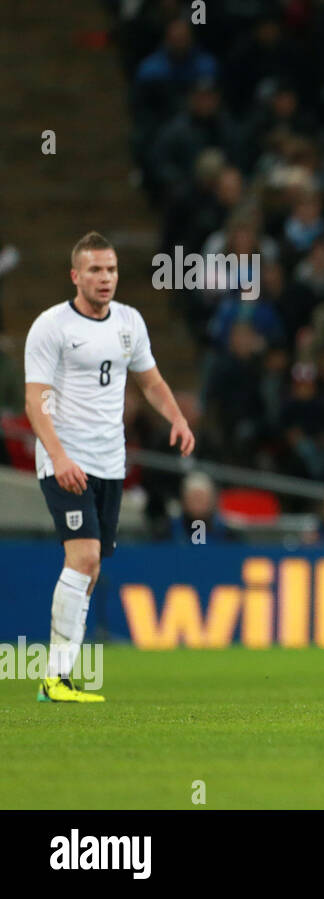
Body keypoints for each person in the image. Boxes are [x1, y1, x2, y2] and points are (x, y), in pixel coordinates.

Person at [24, 232, 195, 701]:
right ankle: (54, 679)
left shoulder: (129, 322)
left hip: (110, 462)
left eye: (112, 269)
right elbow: (36, 401)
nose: (106, 278)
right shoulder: (52, 327)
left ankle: (60, 676)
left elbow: (150, 381)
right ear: (75, 276)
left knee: (91, 567)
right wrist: (58, 456)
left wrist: (177, 418)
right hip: (65, 458)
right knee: (82, 557)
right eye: (95, 270)